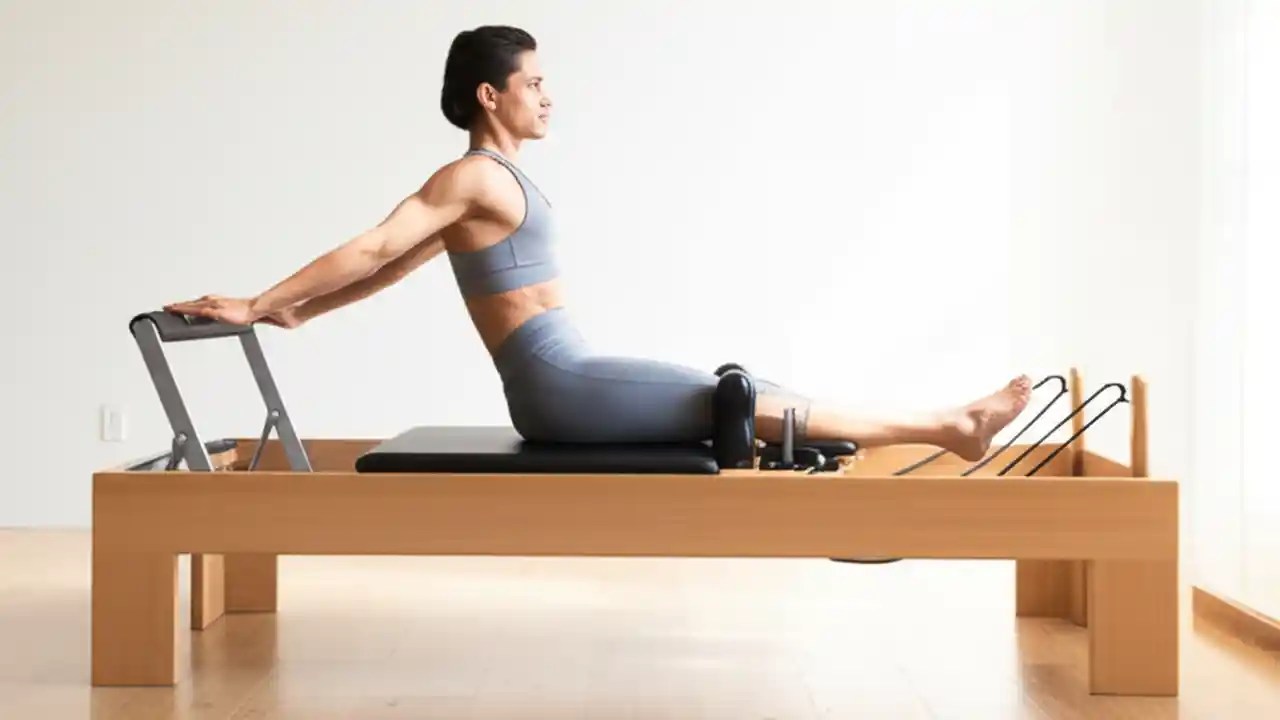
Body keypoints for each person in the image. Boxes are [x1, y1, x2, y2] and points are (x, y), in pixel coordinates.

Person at [165, 25, 1031, 460]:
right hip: (556, 383)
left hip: (562, 374)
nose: (549, 97)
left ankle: (946, 425)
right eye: (533, 84)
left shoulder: (499, 184)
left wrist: (303, 317)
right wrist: (261, 302)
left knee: (747, 388)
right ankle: (948, 426)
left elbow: (396, 268)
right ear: (488, 96)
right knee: (733, 392)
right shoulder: (471, 177)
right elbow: (374, 243)